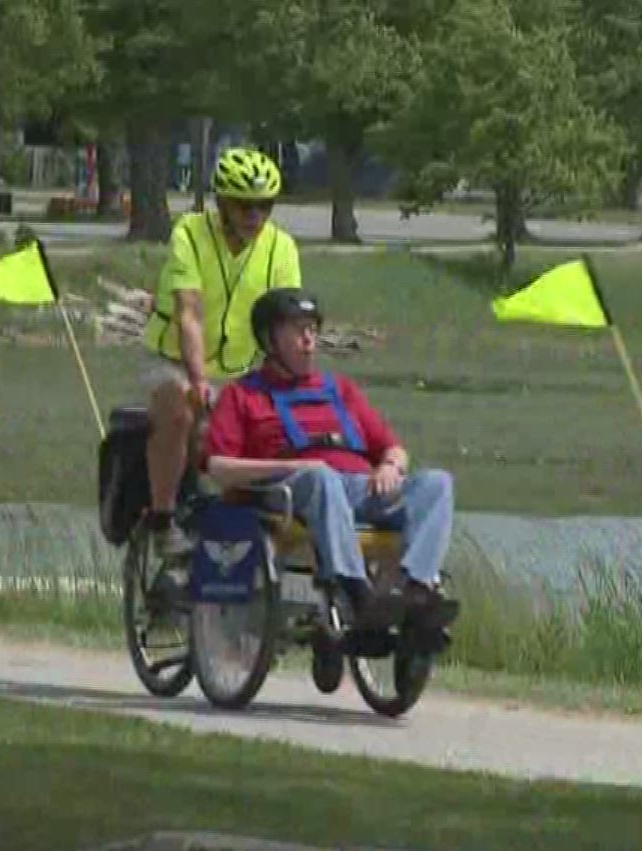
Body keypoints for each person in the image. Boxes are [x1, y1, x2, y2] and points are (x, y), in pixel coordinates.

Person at [202, 288, 459, 634]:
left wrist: (390, 467)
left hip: (360, 489)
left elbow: (394, 448)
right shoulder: (242, 395)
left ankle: (416, 586)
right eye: (297, 331)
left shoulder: (341, 390)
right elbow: (219, 467)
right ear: (269, 339)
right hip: (290, 495)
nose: (308, 340)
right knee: (323, 478)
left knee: (437, 483)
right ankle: (353, 589)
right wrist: (293, 468)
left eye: (312, 329)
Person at [138, 146, 303, 583]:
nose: (255, 215)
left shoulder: (281, 247)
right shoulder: (190, 234)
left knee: (276, 428)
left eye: (265, 205)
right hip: (177, 356)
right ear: (221, 203)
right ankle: (163, 519)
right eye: (244, 205)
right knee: (179, 405)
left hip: (244, 368)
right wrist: (199, 379)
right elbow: (189, 313)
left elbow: (285, 321)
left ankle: (258, 528)